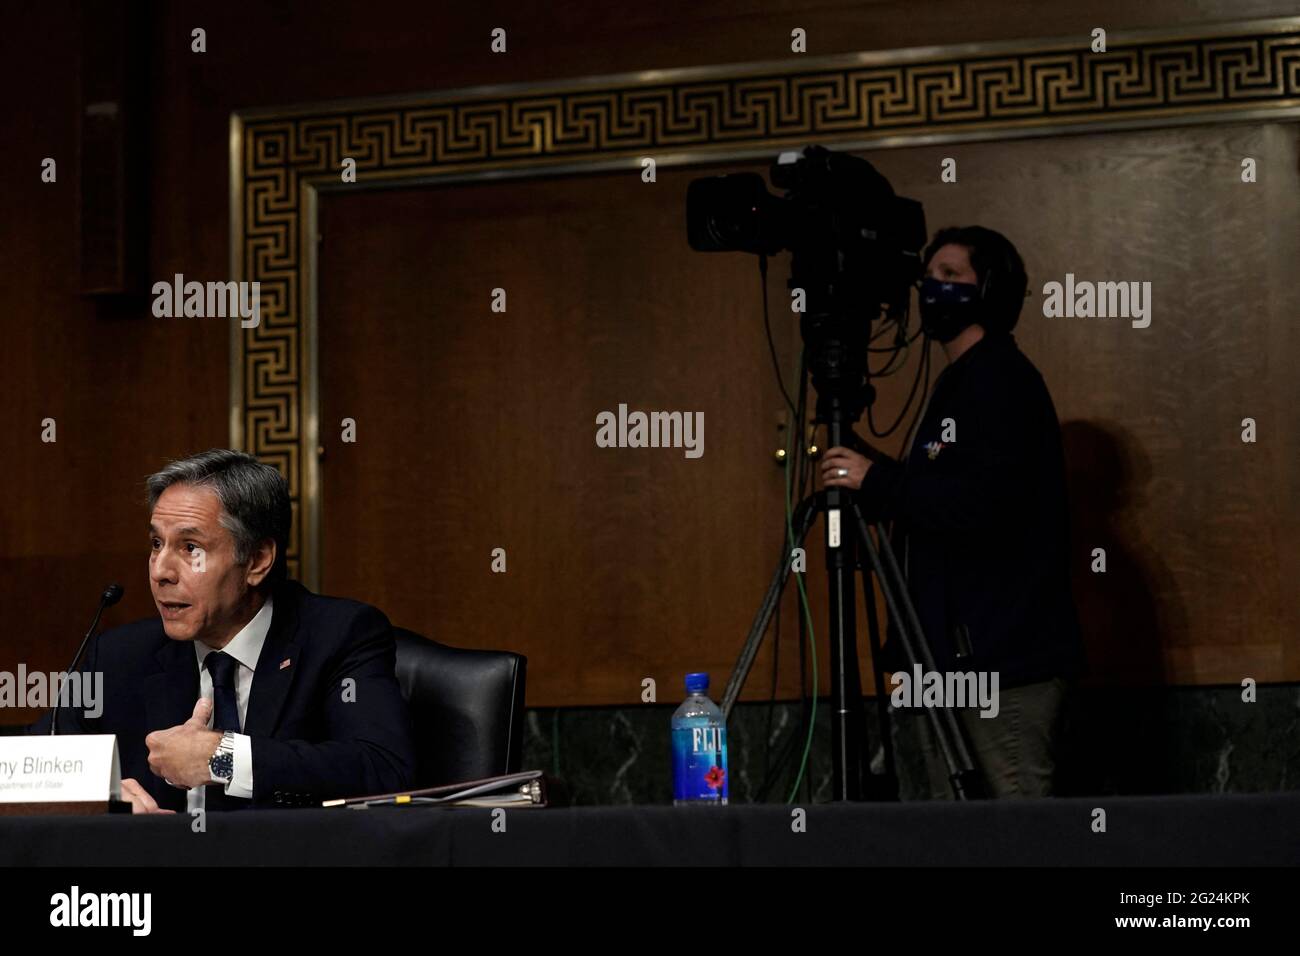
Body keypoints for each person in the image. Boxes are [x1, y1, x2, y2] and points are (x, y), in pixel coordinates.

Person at [821, 226, 1085, 799]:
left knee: (1014, 823)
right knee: (957, 834)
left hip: (1003, 662)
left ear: (989, 289)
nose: (931, 289)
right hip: (946, 663)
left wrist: (880, 481)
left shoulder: (1002, 380)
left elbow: (983, 506)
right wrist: (876, 472)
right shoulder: (959, 382)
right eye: (928, 276)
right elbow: (942, 493)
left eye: (950, 276)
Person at [31, 449, 416, 813]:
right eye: (155, 543)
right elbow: (25, 767)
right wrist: (101, 790)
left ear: (258, 560)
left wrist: (223, 757)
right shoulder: (119, 656)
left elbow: (382, 768)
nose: (159, 571)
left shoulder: (340, 636)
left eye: (190, 547)